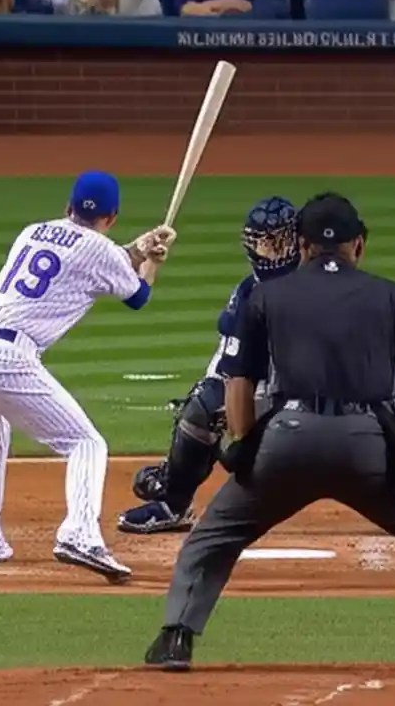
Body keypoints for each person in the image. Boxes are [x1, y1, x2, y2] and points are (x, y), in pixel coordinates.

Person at [142, 193, 395, 681]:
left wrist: (248, 448)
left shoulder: (263, 296)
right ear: (359, 244)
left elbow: (237, 384)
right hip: (370, 443)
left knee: (211, 539)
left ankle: (175, 639)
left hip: (286, 442)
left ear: (304, 248)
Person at [0, 171, 174, 584]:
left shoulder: (35, 231)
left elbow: (94, 258)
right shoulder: (101, 250)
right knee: (86, 443)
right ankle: (79, 535)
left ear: (68, 207)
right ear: (112, 217)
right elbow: (138, 295)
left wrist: (138, 248)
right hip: (2, 358)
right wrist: (151, 259)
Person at [117, 196, 299, 535]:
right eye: (261, 242)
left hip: (314, 391)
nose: (267, 251)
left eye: (276, 243)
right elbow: (227, 367)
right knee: (202, 408)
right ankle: (175, 502)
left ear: (295, 243)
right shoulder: (248, 291)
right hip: (264, 388)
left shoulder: (317, 286)